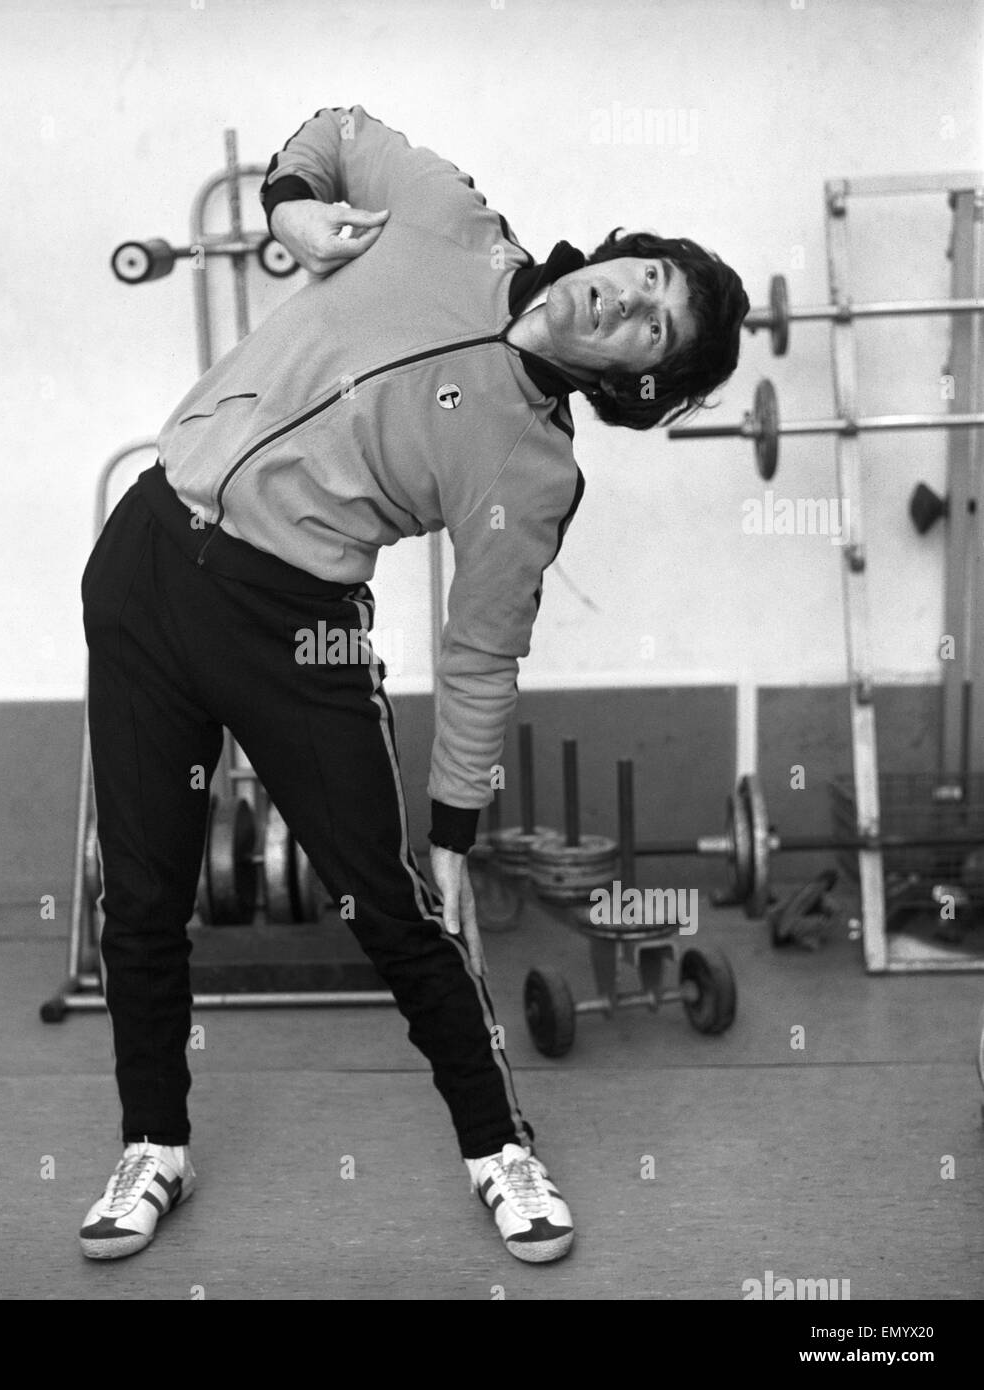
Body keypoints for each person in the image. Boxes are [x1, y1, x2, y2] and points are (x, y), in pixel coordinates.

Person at [78, 105, 749, 1266]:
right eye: (644, 275)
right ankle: (154, 1145)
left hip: (290, 625)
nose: (628, 302)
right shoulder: (446, 217)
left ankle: (499, 1151)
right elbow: (337, 130)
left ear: (637, 387)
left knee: (393, 911)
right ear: (614, 253)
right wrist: (288, 201)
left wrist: (453, 823)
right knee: (139, 898)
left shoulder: (530, 469)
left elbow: (483, 650)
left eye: (653, 328)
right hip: (143, 562)